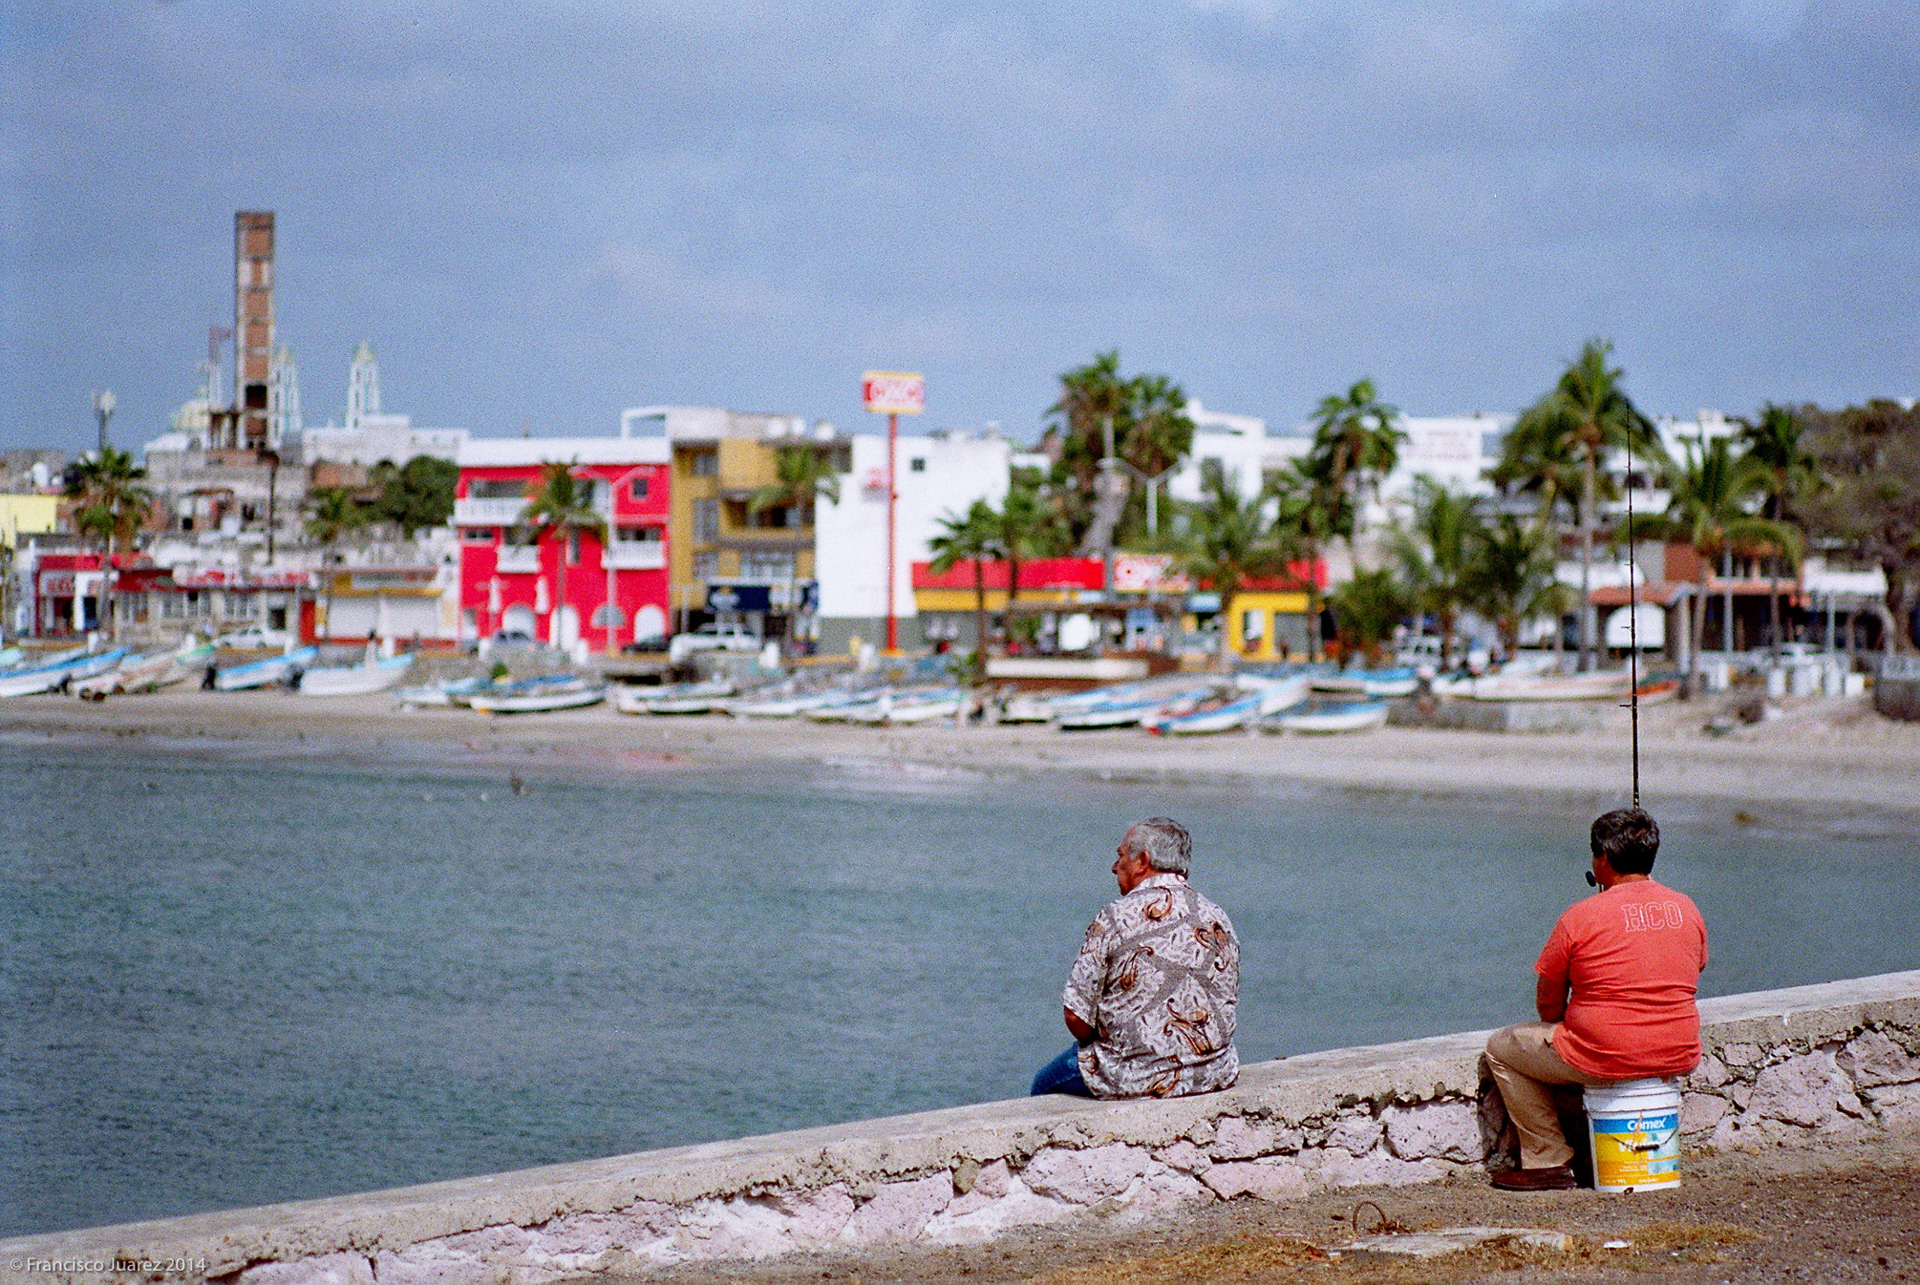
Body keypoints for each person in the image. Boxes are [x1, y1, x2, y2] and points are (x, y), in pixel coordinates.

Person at [1484, 807, 1708, 1190]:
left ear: (1602, 859)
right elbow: (1694, 969)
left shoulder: (1581, 916)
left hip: (1604, 1055)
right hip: (1677, 1051)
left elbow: (1549, 997)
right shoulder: (1686, 908)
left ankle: (1548, 1161)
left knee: (1502, 1048)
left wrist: (1560, 1026)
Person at [1031, 817, 1240, 1099]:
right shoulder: (1217, 917)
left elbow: (1076, 1018)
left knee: (1043, 1085)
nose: (1115, 867)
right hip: (1213, 1072)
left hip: (1138, 1078)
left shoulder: (1115, 917)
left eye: (1120, 856)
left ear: (1142, 861)